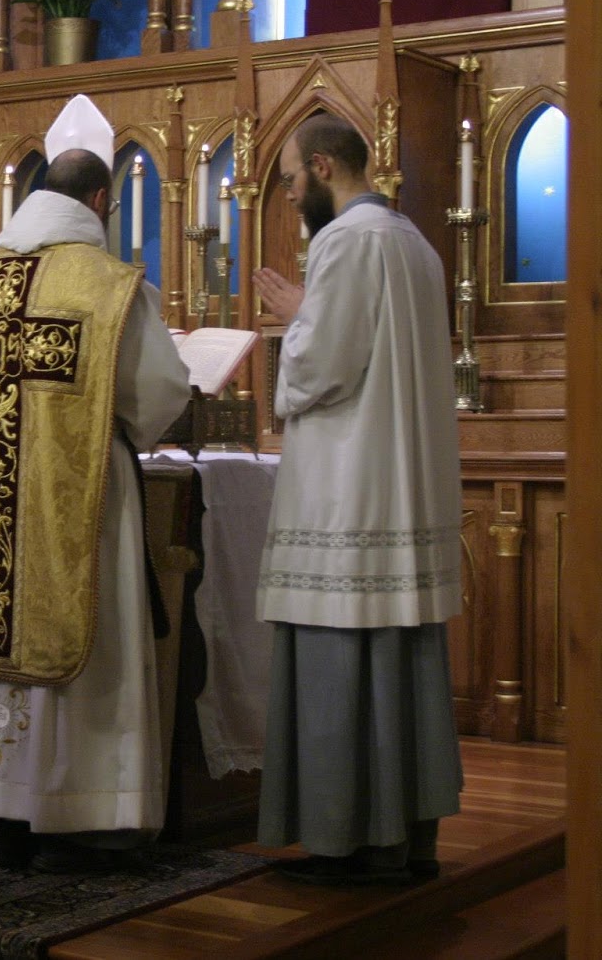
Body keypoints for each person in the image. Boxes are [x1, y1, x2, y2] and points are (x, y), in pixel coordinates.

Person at [0, 117, 192, 870]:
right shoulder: (106, 289)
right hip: (74, 506)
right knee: (86, 637)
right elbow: (157, 394)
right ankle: (80, 822)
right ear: (100, 199)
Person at [253, 113, 463, 886]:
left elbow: (326, 363)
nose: (288, 196)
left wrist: (293, 318)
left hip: (349, 492)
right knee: (399, 660)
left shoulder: (345, 240)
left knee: (345, 652)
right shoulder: (415, 243)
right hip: (398, 486)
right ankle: (405, 836)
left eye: (289, 180)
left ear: (321, 165)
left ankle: (347, 842)